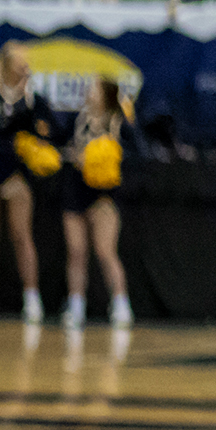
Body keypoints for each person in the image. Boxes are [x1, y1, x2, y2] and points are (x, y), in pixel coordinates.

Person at [0, 44, 55, 323]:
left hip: (17, 177)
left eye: (26, 63)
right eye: (19, 63)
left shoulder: (33, 100)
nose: (25, 68)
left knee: (21, 236)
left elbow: (49, 134)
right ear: (6, 65)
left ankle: (32, 298)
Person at [60, 78, 135, 329]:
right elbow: (62, 145)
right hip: (76, 190)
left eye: (94, 88)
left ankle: (121, 303)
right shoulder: (77, 120)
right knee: (76, 251)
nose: (89, 92)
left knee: (105, 250)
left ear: (106, 94)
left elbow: (135, 155)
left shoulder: (119, 122)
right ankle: (76, 304)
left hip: (104, 195)